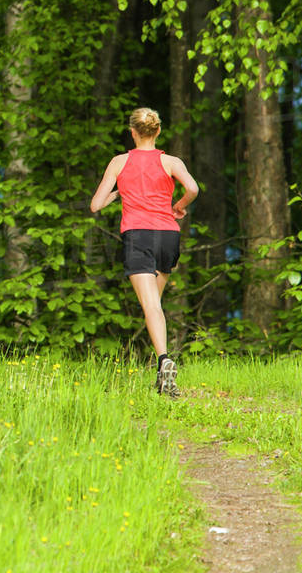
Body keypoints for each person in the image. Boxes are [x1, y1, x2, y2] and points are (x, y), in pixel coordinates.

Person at [90, 107, 199, 398]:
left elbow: (95, 205)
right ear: (158, 131)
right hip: (167, 236)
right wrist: (179, 206)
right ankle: (162, 374)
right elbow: (193, 188)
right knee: (156, 306)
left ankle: (164, 361)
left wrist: (119, 192)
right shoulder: (171, 161)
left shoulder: (119, 162)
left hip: (138, 235)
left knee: (151, 306)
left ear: (133, 132)